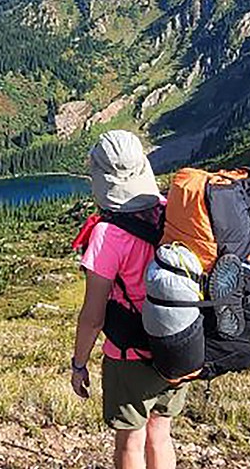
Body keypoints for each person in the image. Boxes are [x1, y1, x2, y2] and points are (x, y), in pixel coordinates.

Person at [70, 130, 187, 469]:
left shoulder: (108, 234)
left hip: (129, 354)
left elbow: (93, 316)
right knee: (160, 434)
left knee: (130, 442)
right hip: (177, 344)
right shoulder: (170, 211)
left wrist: (79, 364)